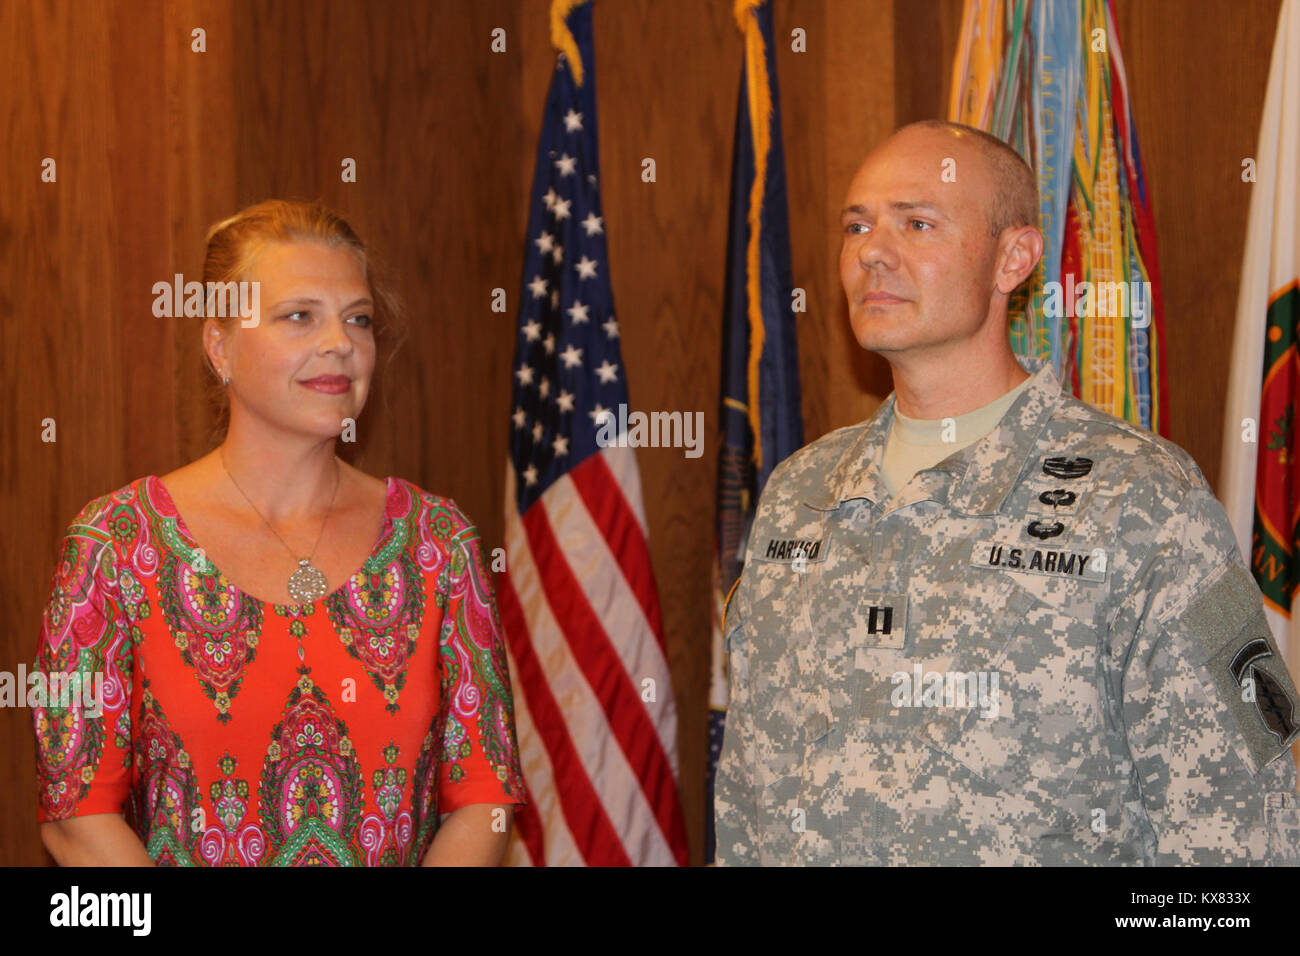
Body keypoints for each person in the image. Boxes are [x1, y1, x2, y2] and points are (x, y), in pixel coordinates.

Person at [714, 120, 1300, 865]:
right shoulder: (801, 494)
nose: (870, 251)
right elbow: (744, 807)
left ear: (1013, 258)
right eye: (856, 225)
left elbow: (1245, 835)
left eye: (916, 222)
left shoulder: (1143, 498)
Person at [33, 199, 526, 866]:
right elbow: (74, 814)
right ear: (220, 347)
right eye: (300, 316)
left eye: (358, 320)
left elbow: (484, 799)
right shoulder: (115, 544)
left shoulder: (439, 543)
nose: (341, 344)